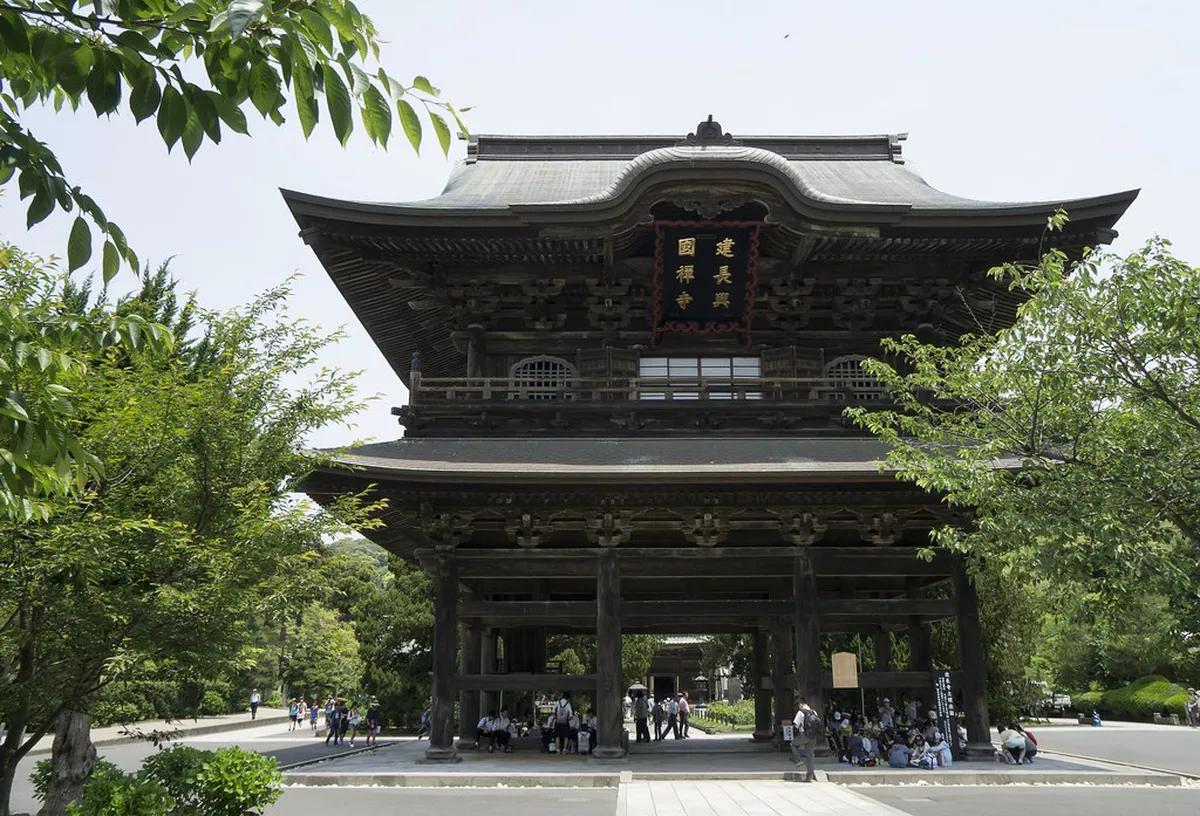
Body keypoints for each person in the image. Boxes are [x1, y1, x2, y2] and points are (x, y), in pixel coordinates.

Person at [791, 698, 821, 782]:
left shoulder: (800, 712)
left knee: (793, 744)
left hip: (805, 735)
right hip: (813, 736)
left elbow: (796, 725)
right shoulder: (814, 712)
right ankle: (809, 776)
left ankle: (798, 760)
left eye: (799, 705)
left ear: (801, 704)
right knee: (810, 755)